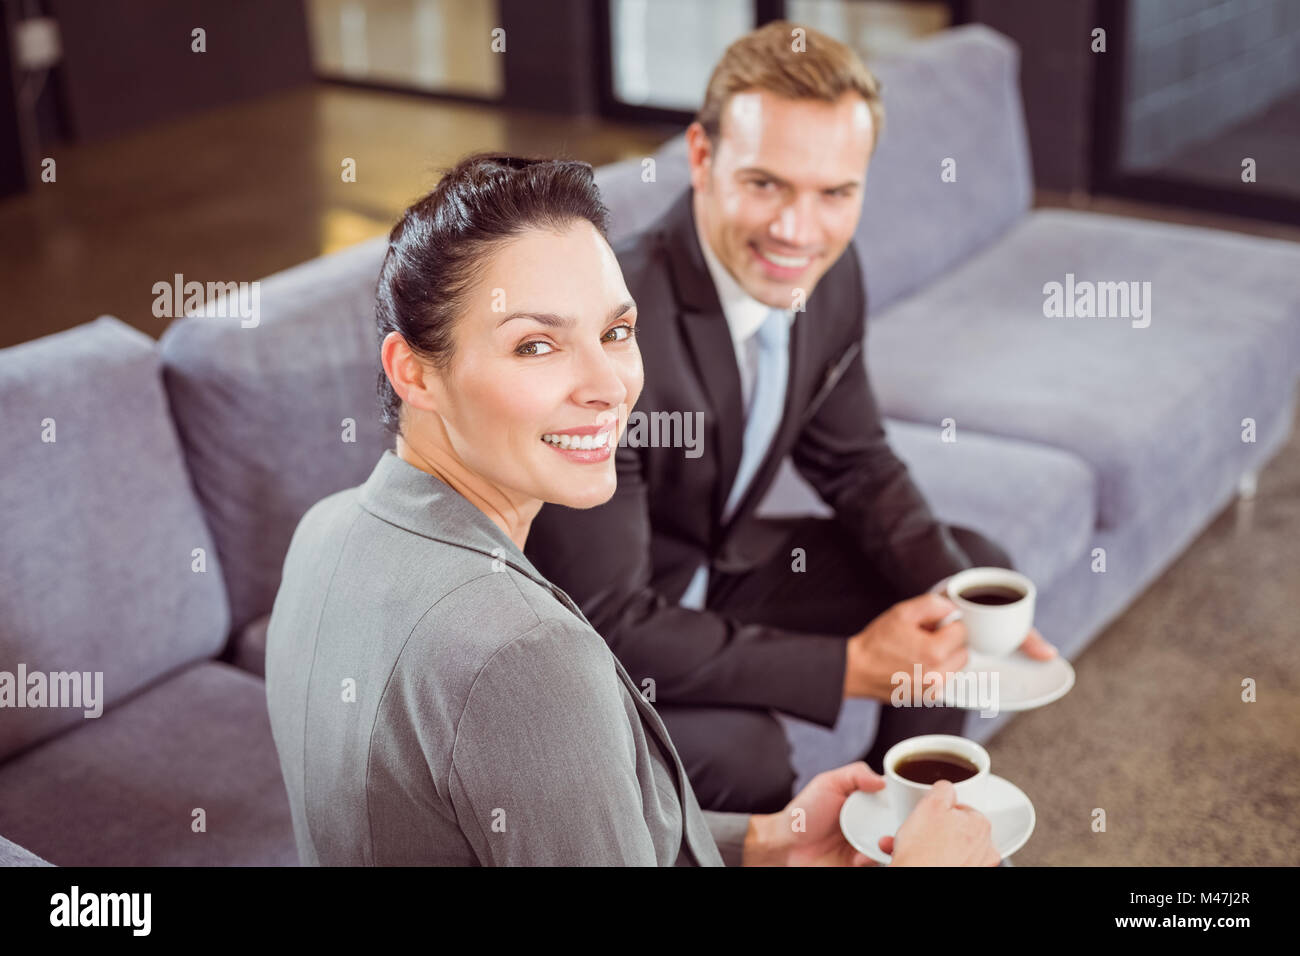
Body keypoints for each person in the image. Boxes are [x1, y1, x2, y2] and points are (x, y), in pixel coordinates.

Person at [263, 153, 1000, 866]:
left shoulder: (326, 532)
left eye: (616, 333)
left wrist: (761, 844)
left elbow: (532, 819)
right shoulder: (525, 653)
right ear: (414, 372)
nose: (609, 385)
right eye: (536, 345)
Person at [524, 22, 1056, 814]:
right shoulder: (611, 331)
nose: (799, 232)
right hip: (594, 629)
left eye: (835, 192)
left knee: (955, 585)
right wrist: (848, 664)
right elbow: (607, 619)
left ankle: (895, 830)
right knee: (750, 753)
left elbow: (857, 461)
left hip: (718, 566)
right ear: (701, 158)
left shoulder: (827, 276)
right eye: (766, 183)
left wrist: (972, 613)